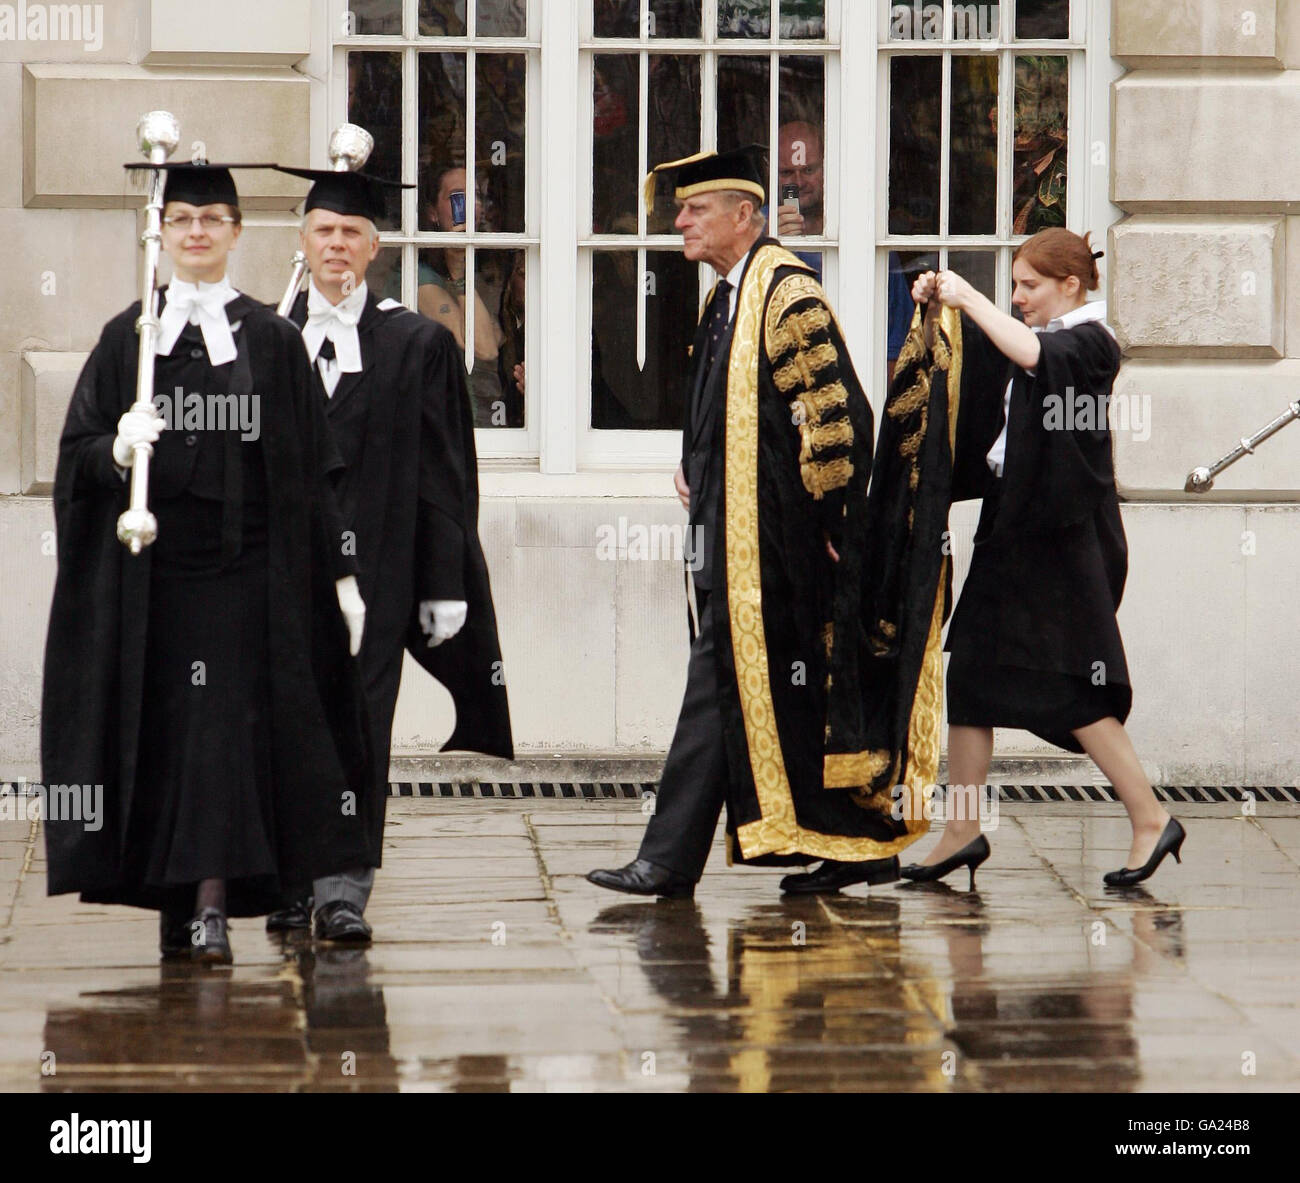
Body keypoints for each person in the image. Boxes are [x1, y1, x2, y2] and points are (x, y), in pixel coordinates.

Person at [41, 163, 374, 965]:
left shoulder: (271, 339)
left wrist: (341, 575)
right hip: (153, 584)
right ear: (164, 232)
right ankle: (177, 906)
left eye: (213, 218)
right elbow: (76, 457)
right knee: (164, 744)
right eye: (183, 217)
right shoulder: (133, 337)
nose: (197, 231)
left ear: (235, 232)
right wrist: (118, 448)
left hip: (245, 584)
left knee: (222, 742)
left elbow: (310, 471)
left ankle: (213, 907)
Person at [588, 148, 932, 901]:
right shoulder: (725, 297)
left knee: (730, 689)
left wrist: (834, 523)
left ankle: (670, 859)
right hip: (730, 535)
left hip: (780, 546)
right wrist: (696, 464)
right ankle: (856, 845)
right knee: (760, 696)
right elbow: (724, 406)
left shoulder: (786, 292)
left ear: (744, 217)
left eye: (694, 210)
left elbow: (834, 412)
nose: (678, 221)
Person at [268, 163, 514, 942]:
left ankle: (341, 889)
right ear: (302, 242)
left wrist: (446, 582)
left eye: (351, 234)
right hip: (282, 574)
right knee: (285, 723)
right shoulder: (266, 342)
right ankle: (285, 881)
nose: (336, 245)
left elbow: (445, 476)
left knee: (360, 726)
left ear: (374, 248)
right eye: (323, 231)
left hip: (379, 575)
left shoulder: (416, 346)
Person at [900, 228, 1183, 889]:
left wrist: (968, 294)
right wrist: (940, 302)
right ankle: (962, 829)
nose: (1019, 297)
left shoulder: (1092, 344)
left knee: (1076, 687)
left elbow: (1032, 352)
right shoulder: (1043, 341)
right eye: (1015, 286)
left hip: (1066, 540)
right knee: (969, 678)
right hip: (1015, 528)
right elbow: (999, 356)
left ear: (1070, 286)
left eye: (1030, 285)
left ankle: (1149, 817)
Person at [418, 165, 506, 427]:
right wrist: (458, 272)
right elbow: (484, 348)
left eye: (477, 197)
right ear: (433, 212)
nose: (469, 206)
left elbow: (500, 337)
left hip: (493, 409)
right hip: (449, 416)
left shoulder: (490, 266)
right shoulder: (417, 273)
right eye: (457, 196)